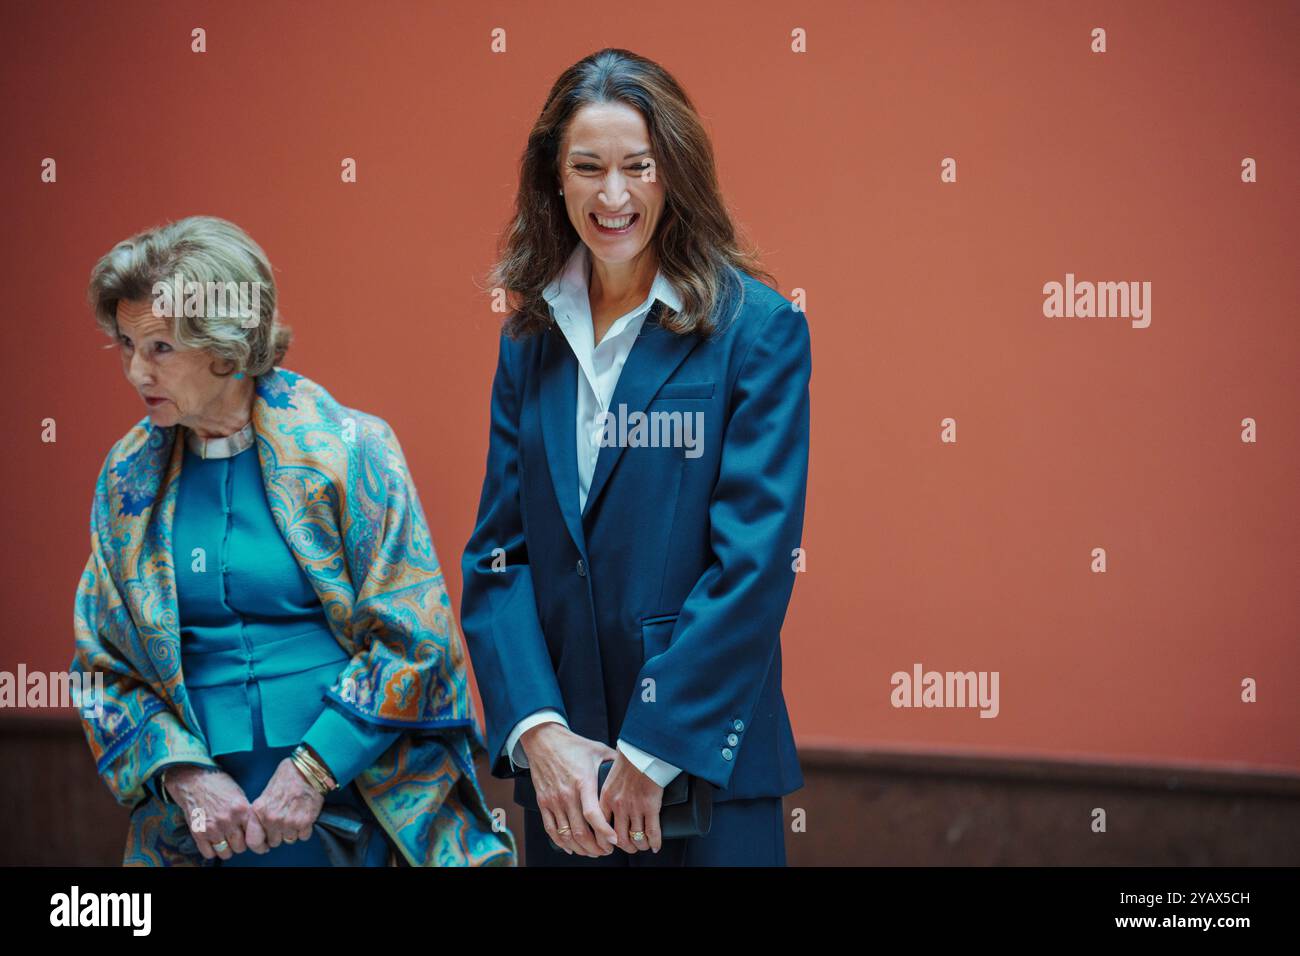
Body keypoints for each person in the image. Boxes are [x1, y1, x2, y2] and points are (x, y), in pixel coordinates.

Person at [71, 215, 514, 867]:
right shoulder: (126, 479)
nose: (137, 370)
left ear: (226, 346)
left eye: (161, 346)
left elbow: (416, 640)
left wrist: (311, 770)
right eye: (128, 345)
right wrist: (184, 776)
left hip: (358, 800)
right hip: (196, 824)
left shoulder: (350, 449)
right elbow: (101, 668)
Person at [460, 48, 811, 866]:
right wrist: (541, 736)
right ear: (555, 177)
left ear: (672, 174)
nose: (612, 196)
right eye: (587, 168)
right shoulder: (530, 336)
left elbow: (753, 565)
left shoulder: (756, 331)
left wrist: (653, 750)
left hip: (704, 775)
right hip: (565, 789)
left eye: (637, 168)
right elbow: (497, 555)